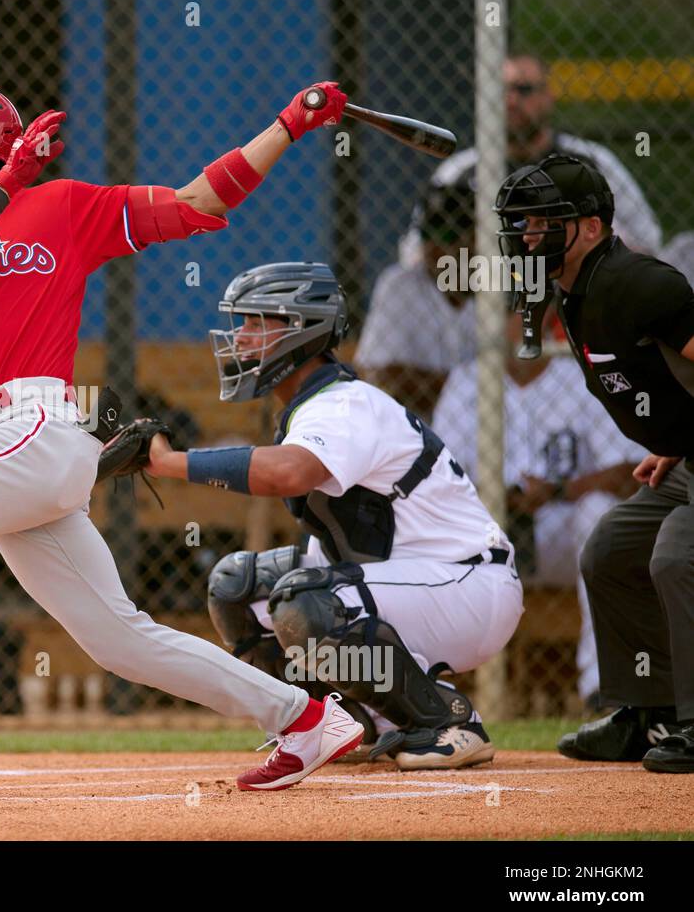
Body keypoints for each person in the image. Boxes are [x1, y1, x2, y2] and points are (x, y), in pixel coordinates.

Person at [0, 78, 367, 792]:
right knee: (119, 639)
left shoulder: (65, 205)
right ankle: (304, 719)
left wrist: (288, 124)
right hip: (1, 445)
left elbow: (200, 202)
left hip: (37, 426)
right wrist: (8, 183)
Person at [141, 262, 523, 769]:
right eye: (242, 323)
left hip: (468, 583)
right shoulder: (311, 405)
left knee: (308, 602)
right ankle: (343, 720)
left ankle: (445, 721)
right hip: (409, 578)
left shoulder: (344, 403)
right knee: (237, 584)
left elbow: (289, 473)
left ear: (303, 331)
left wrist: (170, 463)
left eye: (258, 323)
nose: (241, 337)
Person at [495, 154, 694, 772]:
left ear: (589, 226)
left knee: (677, 558)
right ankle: (648, 710)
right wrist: (676, 441)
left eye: (543, 223)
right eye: (522, 226)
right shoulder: (574, 289)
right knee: (608, 549)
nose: (529, 238)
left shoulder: (639, 283)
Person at [432, 311, 646, 709]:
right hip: (487, 529)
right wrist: (492, 496)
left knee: (599, 513)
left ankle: (600, 688)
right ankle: (431, 693)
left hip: (560, 529)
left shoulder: (580, 376)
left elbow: (629, 470)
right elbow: (433, 478)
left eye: (512, 312)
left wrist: (561, 489)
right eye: (496, 312)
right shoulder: (466, 381)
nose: (500, 324)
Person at [401, 54, 660, 265]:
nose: (511, 100)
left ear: (548, 96)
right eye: (500, 90)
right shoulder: (460, 171)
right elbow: (411, 256)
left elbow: (649, 242)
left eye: (523, 89)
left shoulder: (591, 161)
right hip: (483, 299)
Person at [355, 181, 477, 417]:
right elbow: (378, 375)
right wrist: (469, 390)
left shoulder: (502, 288)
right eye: (427, 234)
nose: (432, 247)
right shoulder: (400, 285)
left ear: (475, 238)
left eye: (447, 236)